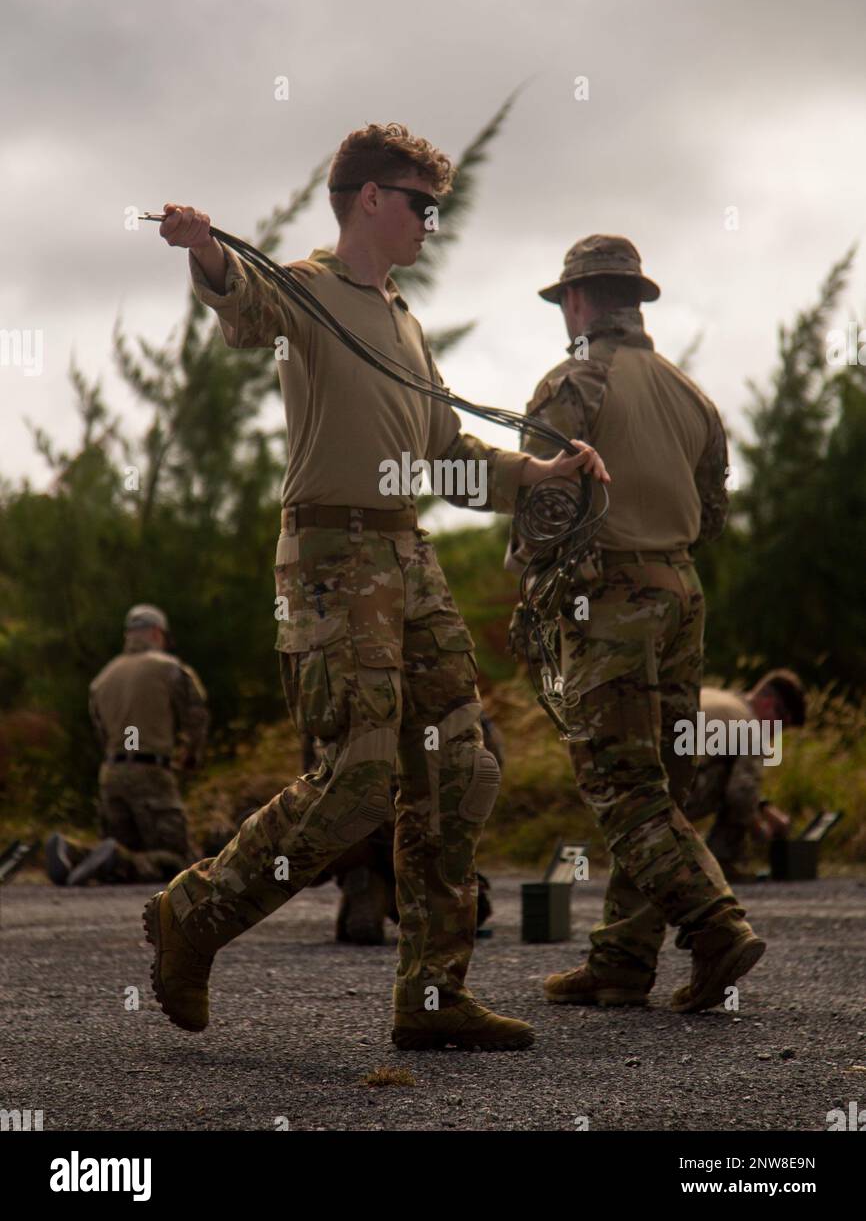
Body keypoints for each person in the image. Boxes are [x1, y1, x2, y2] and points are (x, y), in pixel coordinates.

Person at [142, 123, 609, 1051]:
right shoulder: (307, 291)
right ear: (367, 200)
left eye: (435, 207)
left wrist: (541, 473)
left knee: (460, 766)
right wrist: (203, 252)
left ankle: (431, 1000)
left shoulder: (403, 319)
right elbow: (243, 310)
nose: (431, 222)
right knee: (354, 784)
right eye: (418, 204)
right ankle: (194, 914)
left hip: (408, 556)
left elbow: (444, 458)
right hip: (331, 560)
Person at [507, 234, 766, 1013]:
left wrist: (532, 582)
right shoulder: (693, 395)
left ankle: (714, 924)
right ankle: (621, 961)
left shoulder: (572, 382)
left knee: (623, 785)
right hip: (681, 591)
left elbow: (544, 506)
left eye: (565, 304)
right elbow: (714, 514)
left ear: (579, 302)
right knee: (663, 782)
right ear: (636, 302)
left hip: (611, 597)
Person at [303, 714, 504, 944]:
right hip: (417, 837)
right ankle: (388, 889)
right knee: (464, 913)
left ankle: (369, 882)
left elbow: (312, 778)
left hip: (352, 834)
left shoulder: (334, 701)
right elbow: (482, 782)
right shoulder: (447, 703)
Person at [46, 604, 208, 886]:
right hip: (151, 775)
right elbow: (196, 716)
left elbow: (100, 733)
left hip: (111, 775)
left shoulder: (102, 678)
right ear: (158, 633)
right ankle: (115, 860)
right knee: (177, 863)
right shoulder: (170, 668)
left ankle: (72, 851)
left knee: (126, 852)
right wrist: (192, 755)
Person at [686, 670, 804, 879]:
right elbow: (740, 793)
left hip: (641, 784)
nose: (776, 735)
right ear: (768, 704)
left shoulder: (717, 697)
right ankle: (723, 861)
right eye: (780, 726)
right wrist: (759, 829)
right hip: (677, 794)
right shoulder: (751, 726)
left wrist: (764, 808)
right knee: (742, 793)